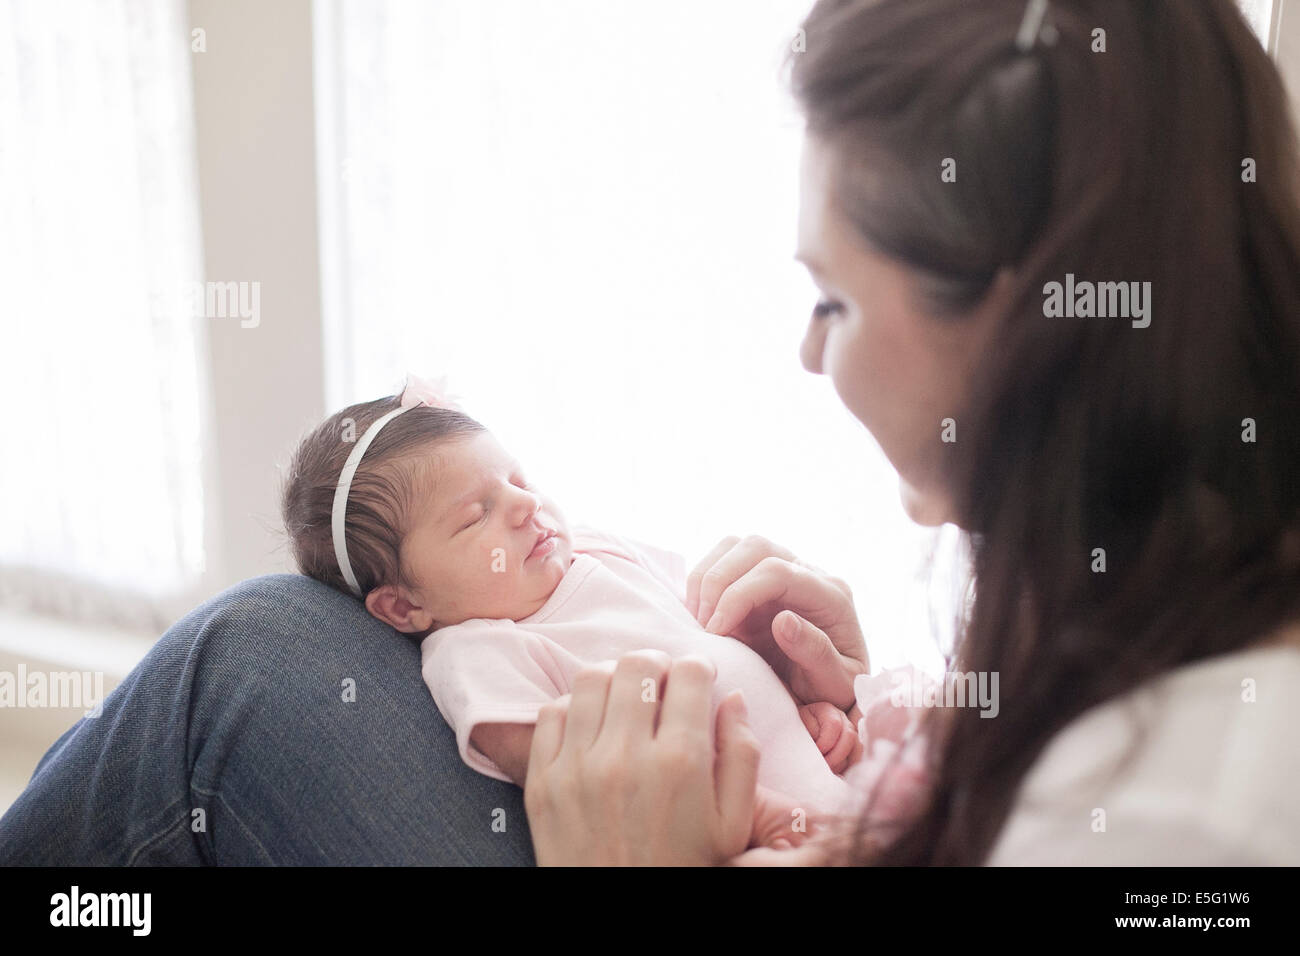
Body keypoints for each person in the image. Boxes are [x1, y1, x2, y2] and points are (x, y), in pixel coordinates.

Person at [522, 0, 1300, 865]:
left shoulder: (1178, 823)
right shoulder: (1187, 613)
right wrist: (888, 729)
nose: (811, 353)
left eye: (833, 302)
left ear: (1019, 329)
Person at [280, 377, 859, 835]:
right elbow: (579, 782)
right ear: (403, 606)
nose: (524, 504)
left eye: (515, 477)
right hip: (753, 838)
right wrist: (761, 812)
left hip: (844, 791)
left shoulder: (594, 549)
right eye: (474, 514)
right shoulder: (481, 649)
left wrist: (793, 721)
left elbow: (707, 636)